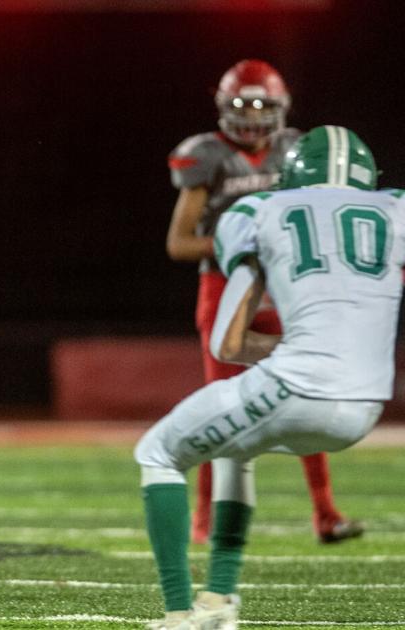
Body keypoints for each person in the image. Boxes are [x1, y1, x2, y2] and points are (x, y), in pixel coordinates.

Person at [138, 126, 399, 630]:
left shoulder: (259, 213)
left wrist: (283, 347)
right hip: (365, 407)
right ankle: (217, 604)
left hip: (296, 389)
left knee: (157, 452)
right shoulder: (395, 210)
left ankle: (176, 615)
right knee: (236, 445)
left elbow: (227, 344)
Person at [165, 59, 358, 545]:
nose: (252, 115)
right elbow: (180, 243)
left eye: (261, 104)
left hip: (286, 289)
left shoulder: (297, 150)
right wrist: (243, 241)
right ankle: (204, 522)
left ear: (281, 106)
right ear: (223, 107)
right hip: (226, 288)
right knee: (221, 409)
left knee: (307, 398)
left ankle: (326, 515)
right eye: (243, 104)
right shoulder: (206, 155)